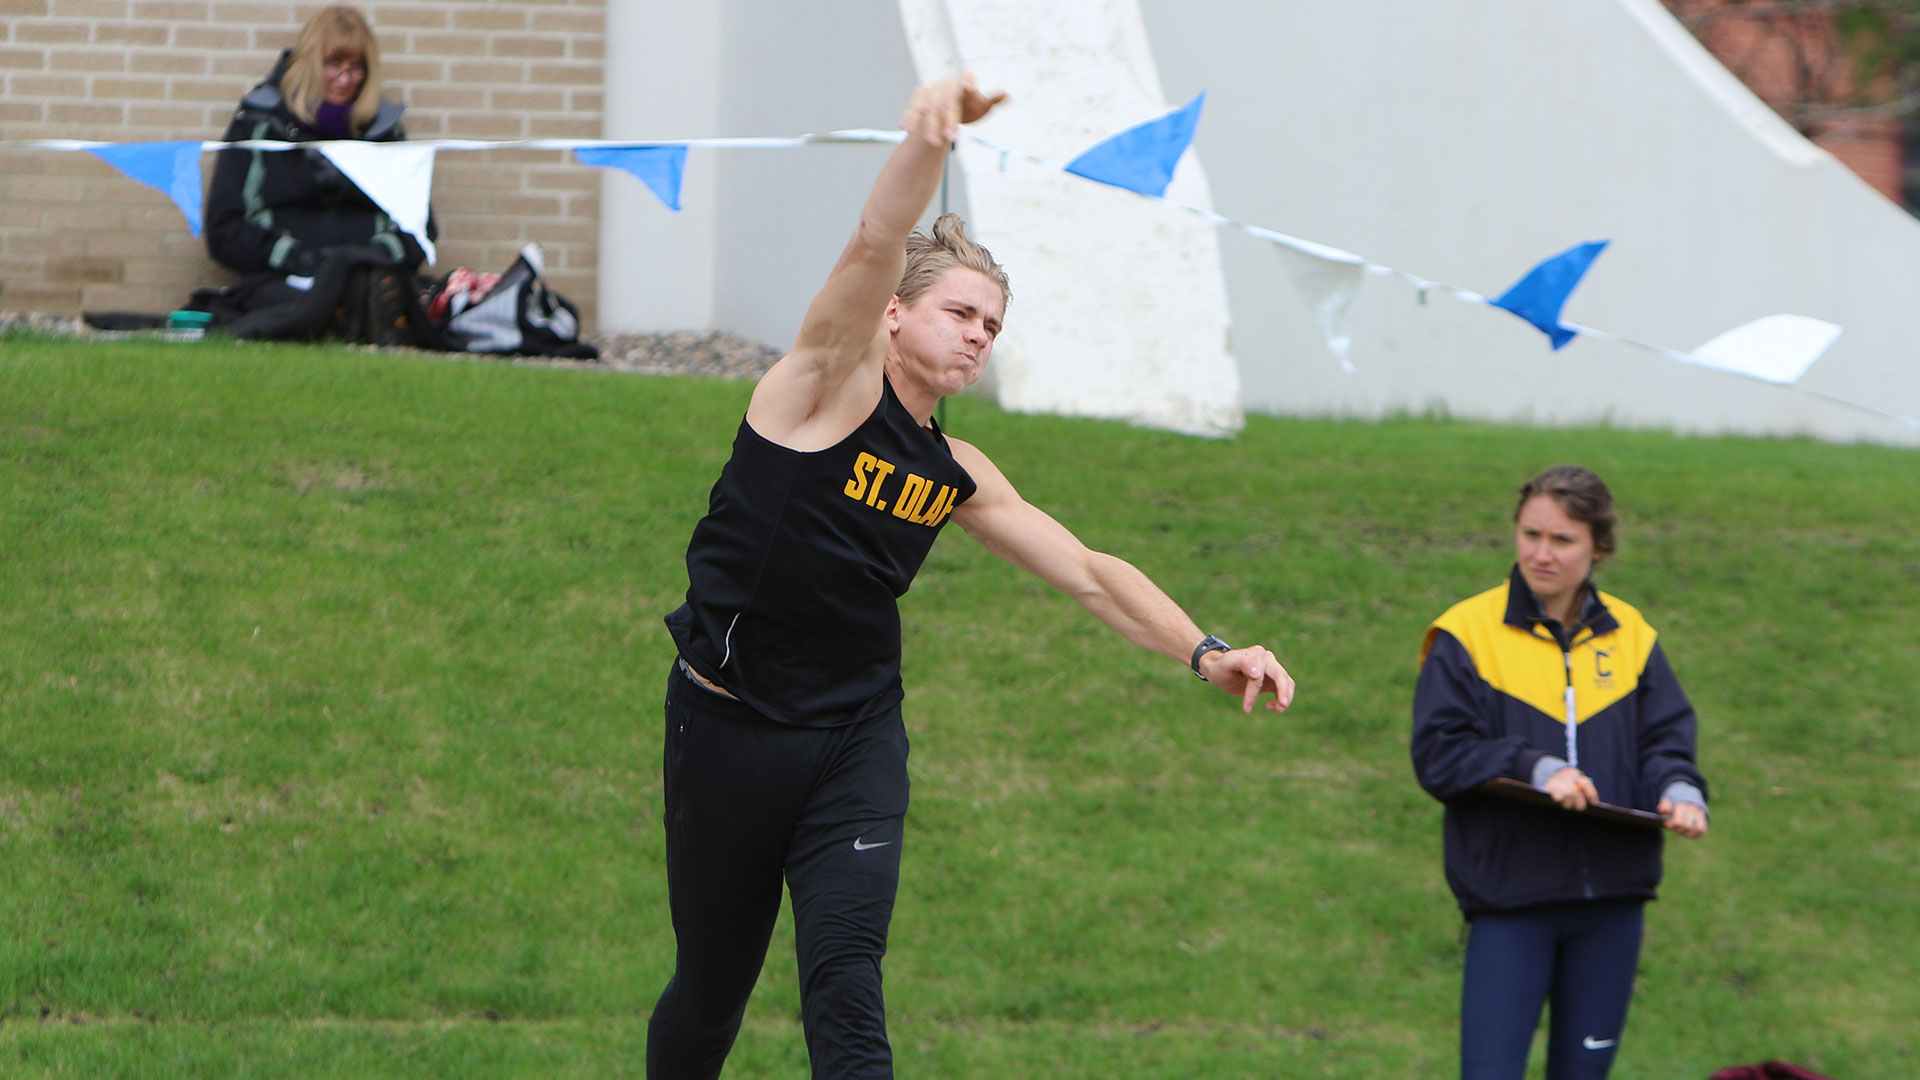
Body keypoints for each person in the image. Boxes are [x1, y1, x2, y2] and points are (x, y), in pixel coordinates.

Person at [650, 77, 1297, 1080]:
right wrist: (928, 134)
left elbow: (1087, 572)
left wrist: (1207, 651)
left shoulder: (955, 472)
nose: (979, 334)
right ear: (896, 317)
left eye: (993, 326)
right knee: (710, 993)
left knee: (846, 980)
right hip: (729, 726)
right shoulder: (817, 388)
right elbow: (874, 238)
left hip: (853, 733)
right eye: (961, 311)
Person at [1410, 466, 1710, 1080]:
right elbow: (1439, 753)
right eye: (1530, 534)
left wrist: (1679, 790)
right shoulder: (1466, 633)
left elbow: (1666, 737)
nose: (1541, 554)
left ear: (1599, 547)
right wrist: (1534, 766)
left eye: (1563, 540)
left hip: (1614, 902)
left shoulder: (1632, 635)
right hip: (1511, 901)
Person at [203, 5, 432, 342]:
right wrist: (295, 257)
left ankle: (354, 313)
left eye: (356, 67)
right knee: (303, 305)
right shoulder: (259, 126)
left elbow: (421, 230)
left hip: (366, 278)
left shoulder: (386, 135)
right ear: (310, 64)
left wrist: (363, 259)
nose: (345, 78)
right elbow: (224, 228)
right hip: (281, 279)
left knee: (384, 293)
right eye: (333, 64)